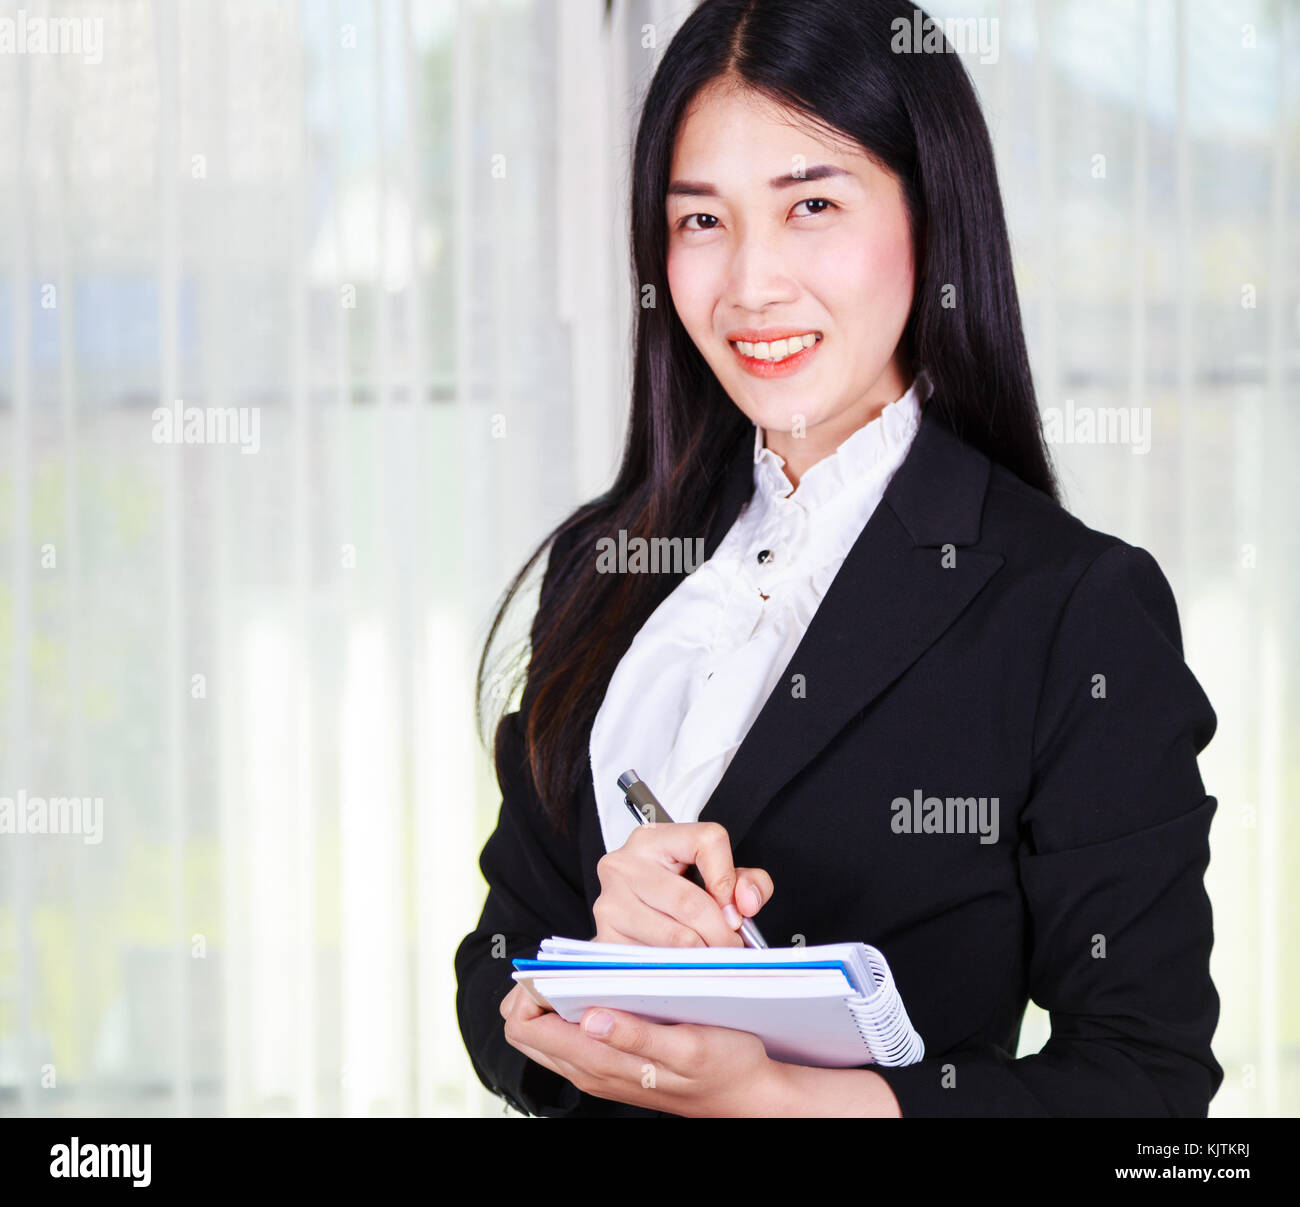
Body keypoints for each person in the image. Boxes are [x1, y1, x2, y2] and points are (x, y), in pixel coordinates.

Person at [455, 0, 1222, 1118]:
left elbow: (1146, 1089)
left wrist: (778, 1095)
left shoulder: (1071, 609)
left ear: (930, 213)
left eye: (811, 204)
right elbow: (495, 964)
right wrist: (575, 974)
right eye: (701, 221)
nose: (752, 284)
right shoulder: (609, 560)